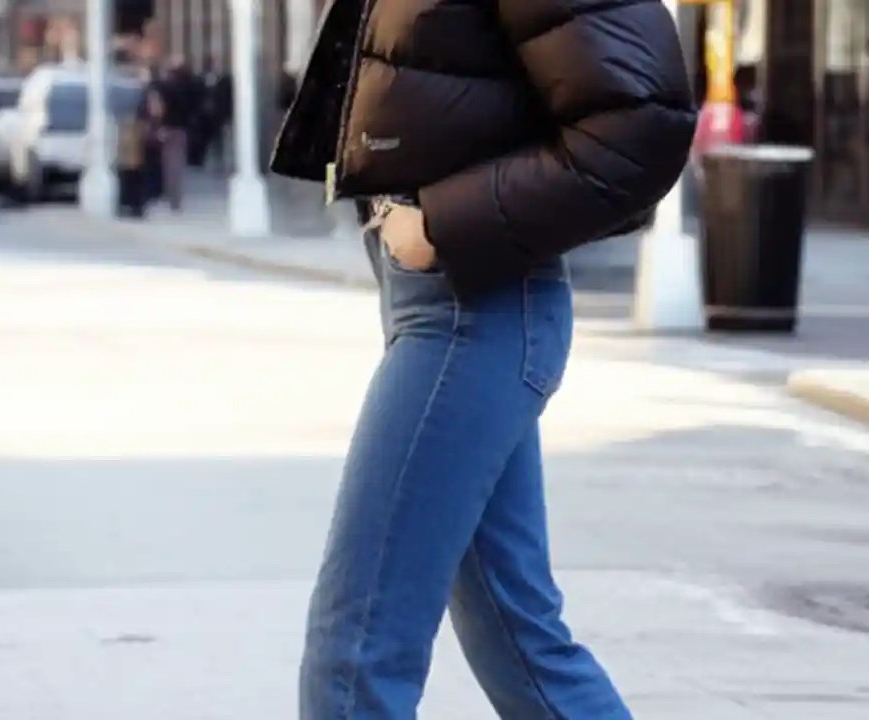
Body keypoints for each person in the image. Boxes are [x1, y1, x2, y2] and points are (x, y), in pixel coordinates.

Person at [270, 0, 694, 717]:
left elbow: (642, 122)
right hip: (446, 306)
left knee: (355, 661)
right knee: (522, 646)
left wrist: (438, 222)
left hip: (471, 311)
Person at [153, 58, 192, 212]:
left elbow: (159, 110)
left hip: (168, 129)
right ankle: (176, 198)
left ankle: (171, 197)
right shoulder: (187, 88)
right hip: (181, 129)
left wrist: (160, 126)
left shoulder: (164, 89)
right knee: (177, 164)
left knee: (169, 165)